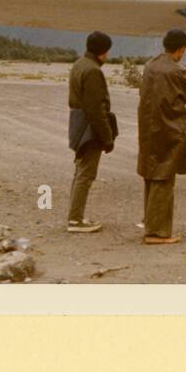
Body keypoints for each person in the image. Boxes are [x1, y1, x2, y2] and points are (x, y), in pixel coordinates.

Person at [136, 28, 186, 245]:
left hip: (149, 128)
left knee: (151, 174)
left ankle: (151, 223)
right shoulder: (176, 71)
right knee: (164, 179)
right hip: (170, 128)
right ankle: (157, 232)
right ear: (182, 48)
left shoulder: (149, 66)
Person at [66, 31, 117, 233]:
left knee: (80, 171)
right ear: (103, 51)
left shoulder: (79, 64)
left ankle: (74, 216)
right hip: (89, 126)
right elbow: (96, 109)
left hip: (78, 123)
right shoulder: (93, 71)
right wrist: (107, 137)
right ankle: (75, 220)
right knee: (86, 173)